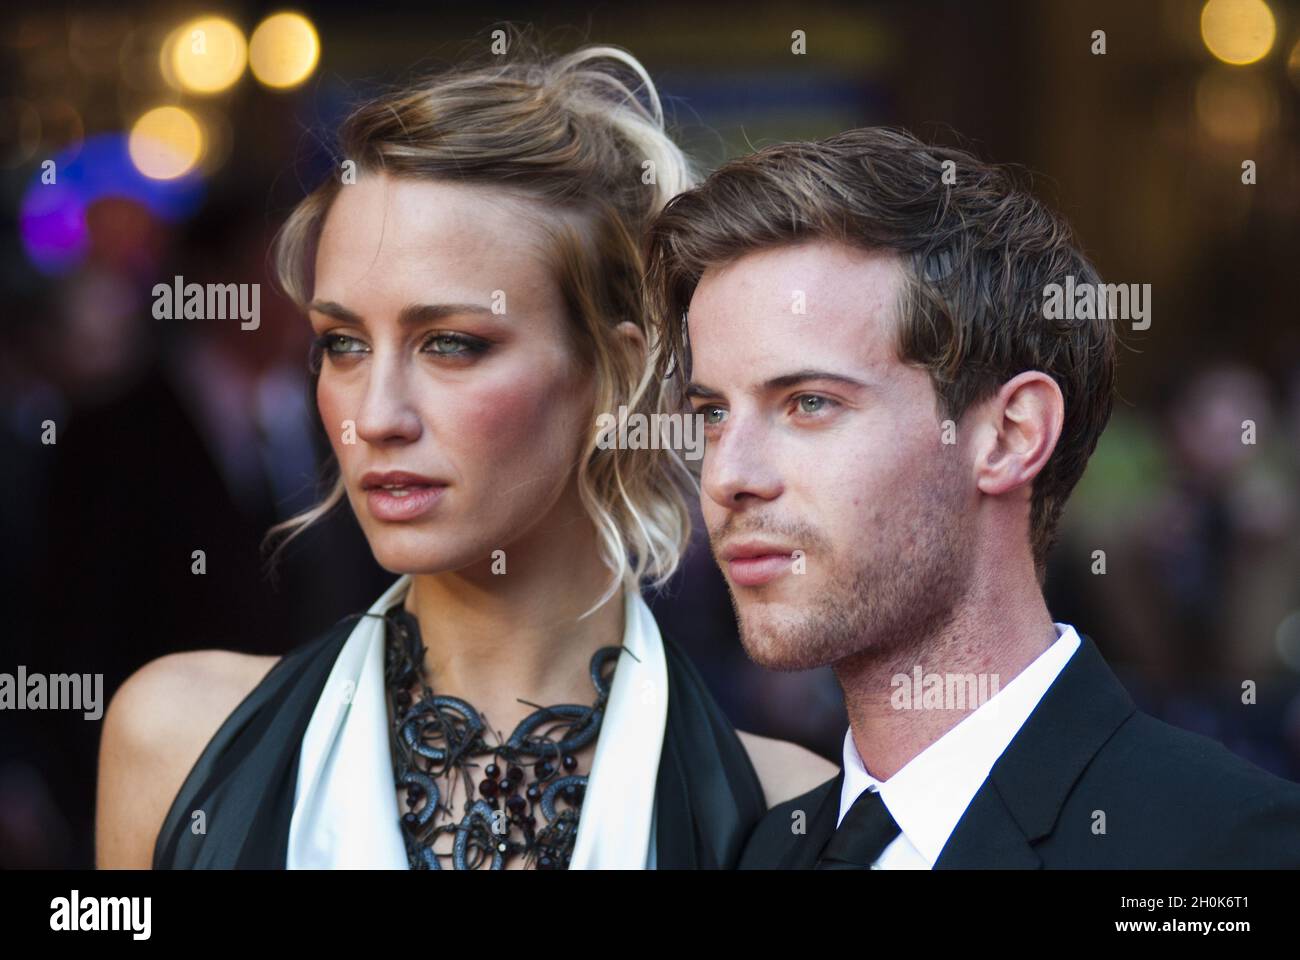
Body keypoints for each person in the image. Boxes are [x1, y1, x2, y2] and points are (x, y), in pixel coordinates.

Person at [95, 41, 834, 871]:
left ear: (616, 373)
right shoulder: (178, 741)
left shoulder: (787, 814)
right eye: (342, 344)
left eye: (449, 343)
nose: (375, 416)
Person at [642, 126, 1300, 868]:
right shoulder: (751, 853)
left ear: (1011, 435)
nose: (730, 475)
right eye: (712, 415)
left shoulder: (1230, 853)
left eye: (809, 403)